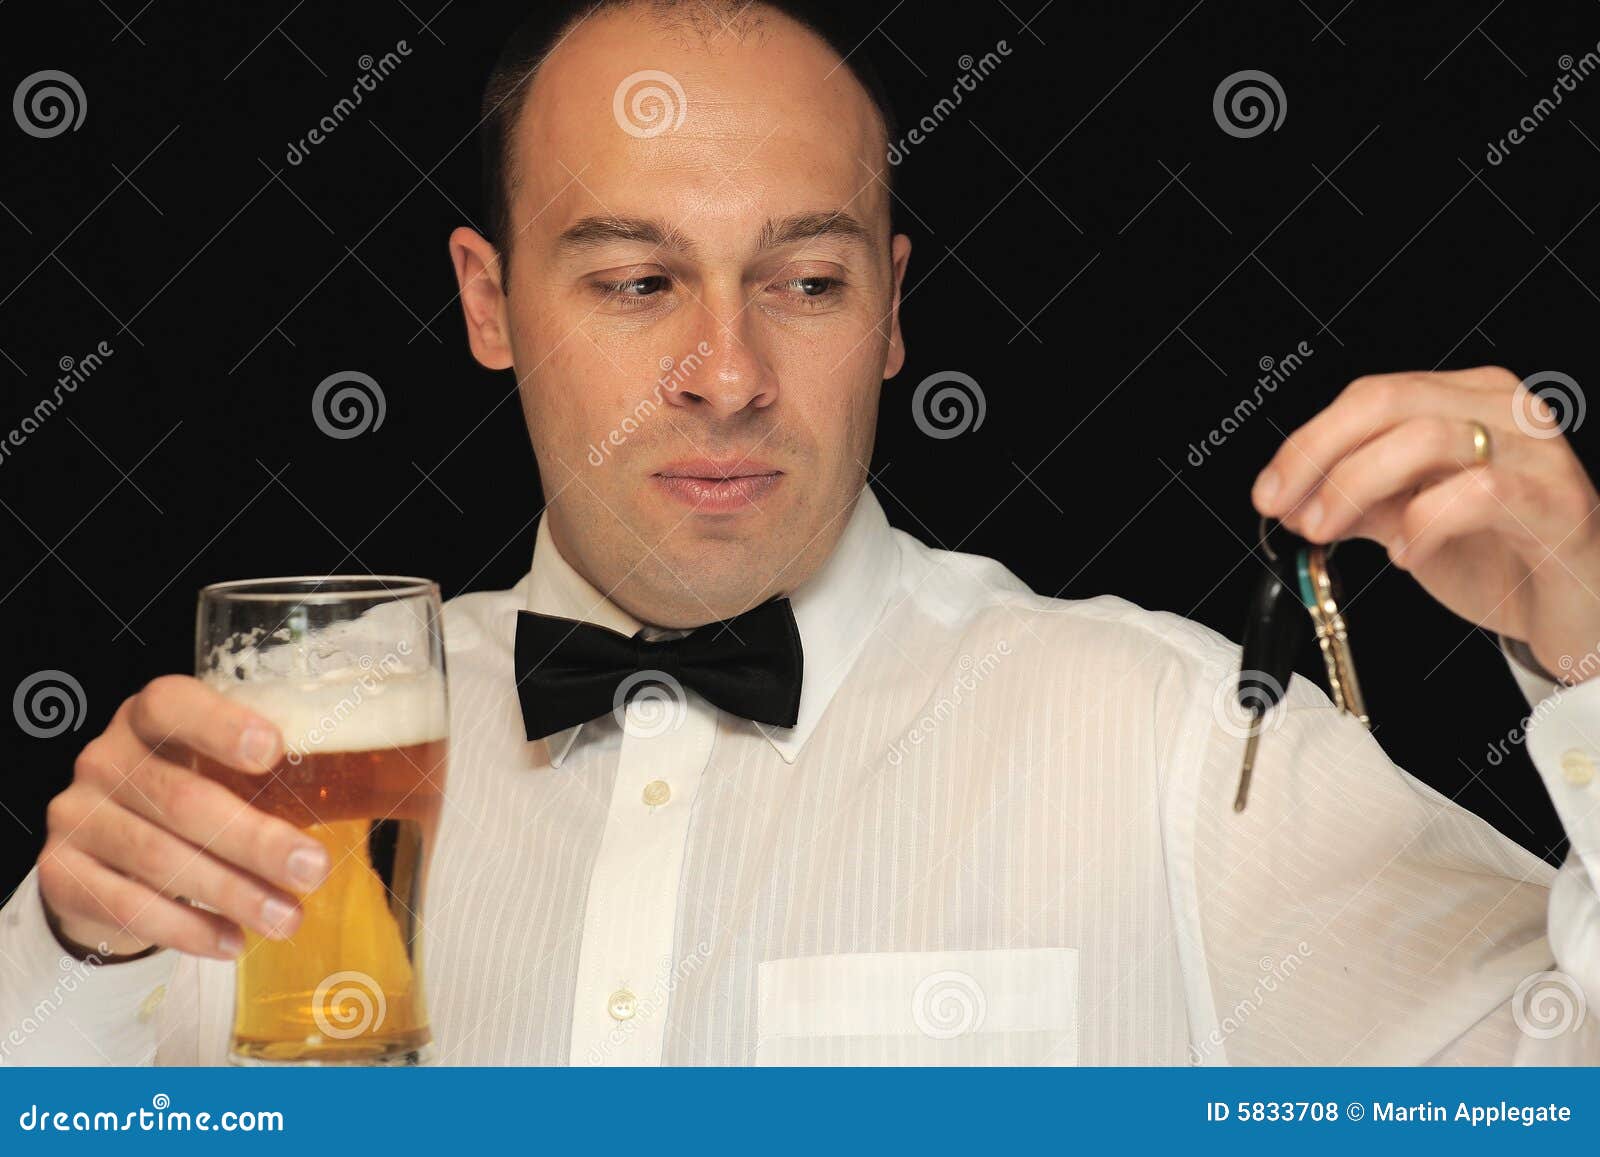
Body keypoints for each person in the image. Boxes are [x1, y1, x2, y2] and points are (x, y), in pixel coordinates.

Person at [4, 0, 1599, 1066]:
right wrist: (69, 959)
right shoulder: (262, 777)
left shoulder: (1174, 743)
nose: (726, 371)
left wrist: (1590, 657)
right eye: (635, 282)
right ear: (490, 303)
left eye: (809, 281)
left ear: (896, 309)